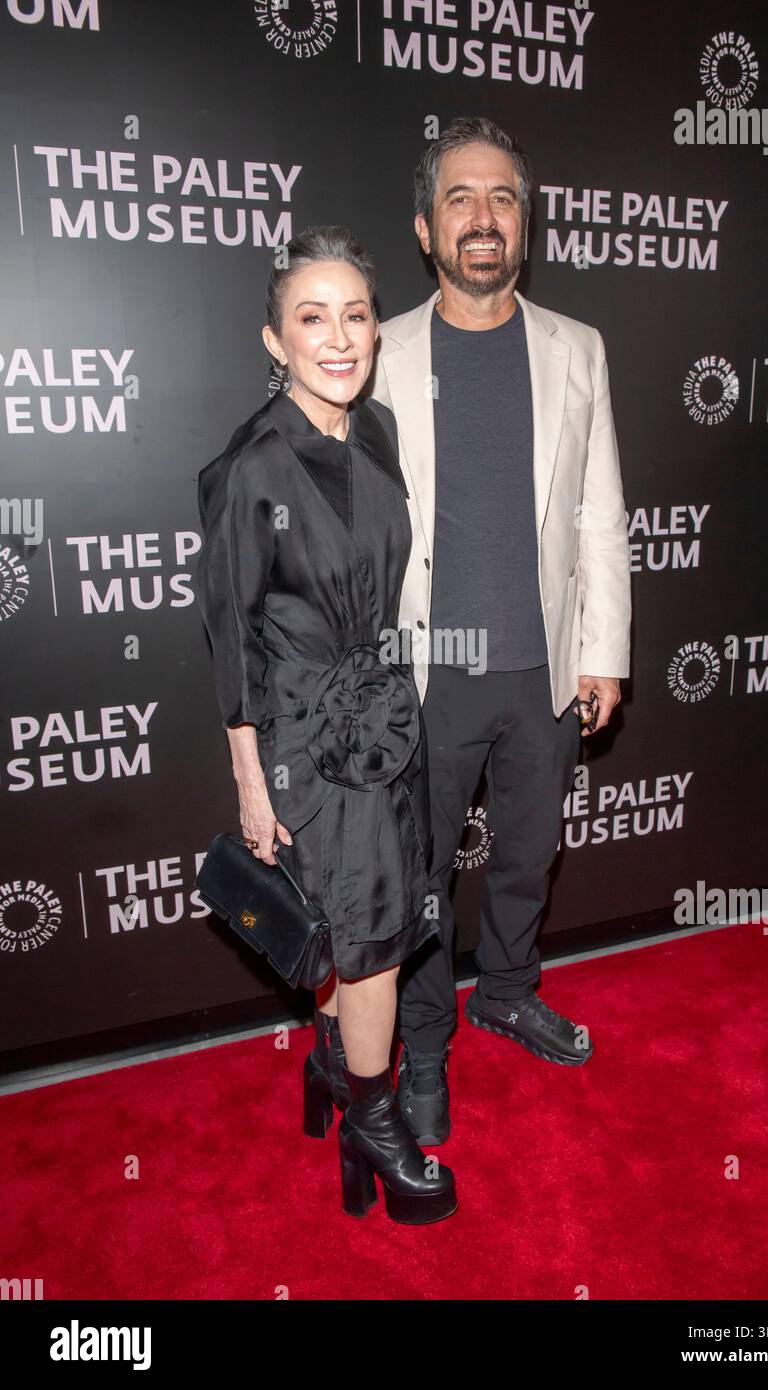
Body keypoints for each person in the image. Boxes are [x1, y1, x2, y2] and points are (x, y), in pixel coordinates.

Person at [367, 117, 632, 1145]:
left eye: (503, 199)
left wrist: (602, 650)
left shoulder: (576, 348)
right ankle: (424, 1042)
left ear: (525, 222)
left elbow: (596, 512)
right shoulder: (377, 352)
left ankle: (508, 991)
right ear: (426, 230)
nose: (483, 218)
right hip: (427, 676)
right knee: (422, 880)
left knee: (527, 856)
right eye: (460, 200)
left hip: (543, 671)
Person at [195, 226, 457, 1224]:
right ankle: (373, 1119)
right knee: (371, 941)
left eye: (356, 315)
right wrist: (252, 780)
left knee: (374, 924)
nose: (339, 337)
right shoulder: (249, 469)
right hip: (304, 731)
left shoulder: (376, 430)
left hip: (385, 711)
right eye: (313, 317)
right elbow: (230, 641)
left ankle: (329, 1066)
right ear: (274, 337)